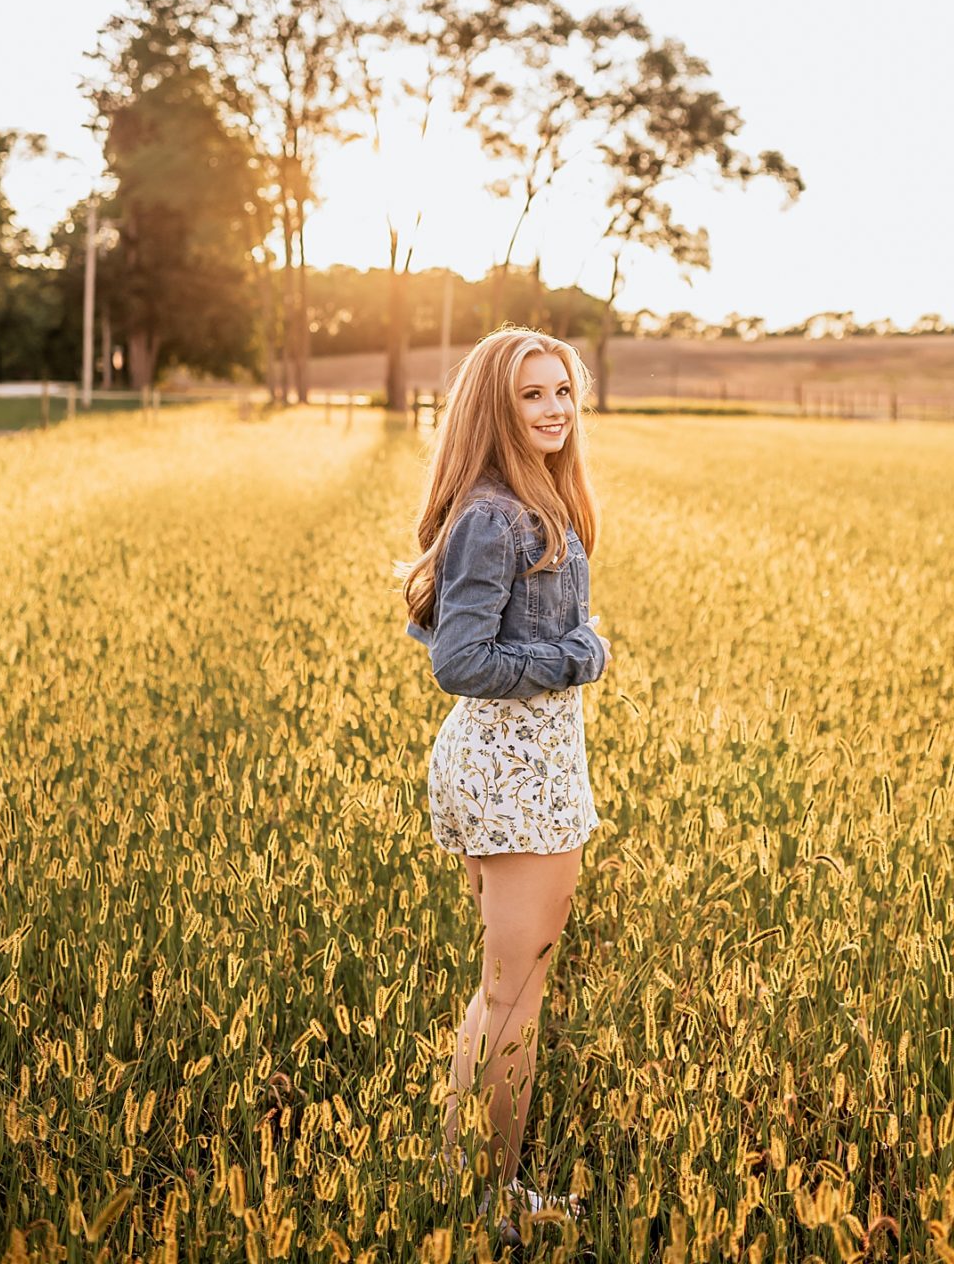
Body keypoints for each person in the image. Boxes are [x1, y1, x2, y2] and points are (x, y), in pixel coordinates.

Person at [395, 325, 612, 1246]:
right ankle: (492, 1205)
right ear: (496, 406)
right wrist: (578, 654)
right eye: (532, 394)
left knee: (503, 991)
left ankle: (470, 1188)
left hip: (522, 763)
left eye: (562, 390)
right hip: (516, 771)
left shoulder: (524, 504)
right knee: (515, 999)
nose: (555, 409)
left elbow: (454, 629)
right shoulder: (497, 516)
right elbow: (458, 659)